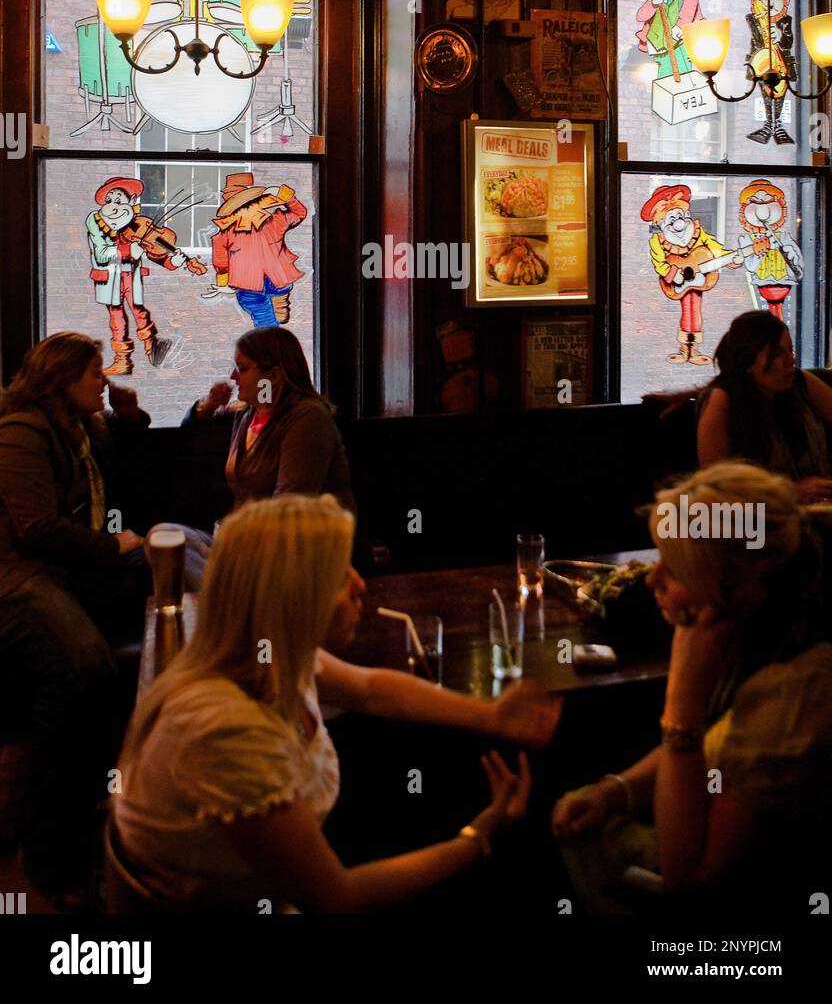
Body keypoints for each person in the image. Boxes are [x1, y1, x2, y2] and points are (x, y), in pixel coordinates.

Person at [114, 494, 562, 912]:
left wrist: (491, 715)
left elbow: (370, 689)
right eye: (337, 574)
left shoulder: (271, 653)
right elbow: (335, 896)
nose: (360, 584)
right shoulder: (229, 729)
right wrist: (478, 837)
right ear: (291, 596)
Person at [551, 463, 832, 910]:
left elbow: (690, 876)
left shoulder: (796, 694)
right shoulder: (767, 621)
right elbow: (720, 746)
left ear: (738, 587)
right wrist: (617, 790)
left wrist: (681, 694)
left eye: (675, 569)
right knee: (586, 804)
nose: (652, 580)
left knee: (576, 838)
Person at [0, 332, 149, 902]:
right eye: (94, 373)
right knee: (82, 666)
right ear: (60, 380)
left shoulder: (80, 428)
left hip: (65, 574)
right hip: (17, 578)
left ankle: (115, 813)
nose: (104, 380)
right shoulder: (21, 430)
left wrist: (130, 419)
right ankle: (50, 856)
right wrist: (115, 549)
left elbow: (115, 465)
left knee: (148, 620)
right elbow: (36, 529)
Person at [189, 326, 356, 516]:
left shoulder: (308, 418)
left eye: (241, 368)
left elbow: (287, 506)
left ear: (273, 376)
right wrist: (209, 404)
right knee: (164, 532)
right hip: (251, 531)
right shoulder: (250, 411)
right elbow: (192, 429)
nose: (232, 376)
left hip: (300, 539)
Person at [696, 311, 832, 502]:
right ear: (747, 360)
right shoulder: (721, 400)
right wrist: (790, 492)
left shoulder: (799, 381)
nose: (790, 361)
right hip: (763, 522)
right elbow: (715, 490)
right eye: (777, 353)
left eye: (790, 350)